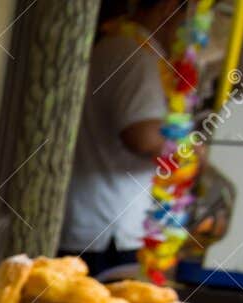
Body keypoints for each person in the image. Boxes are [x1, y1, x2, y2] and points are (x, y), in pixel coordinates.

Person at [59, 0, 186, 276]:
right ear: (168, 9)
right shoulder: (135, 55)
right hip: (106, 230)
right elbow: (142, 137)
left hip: (93, 222)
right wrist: (192, 149)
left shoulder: (118, 46)